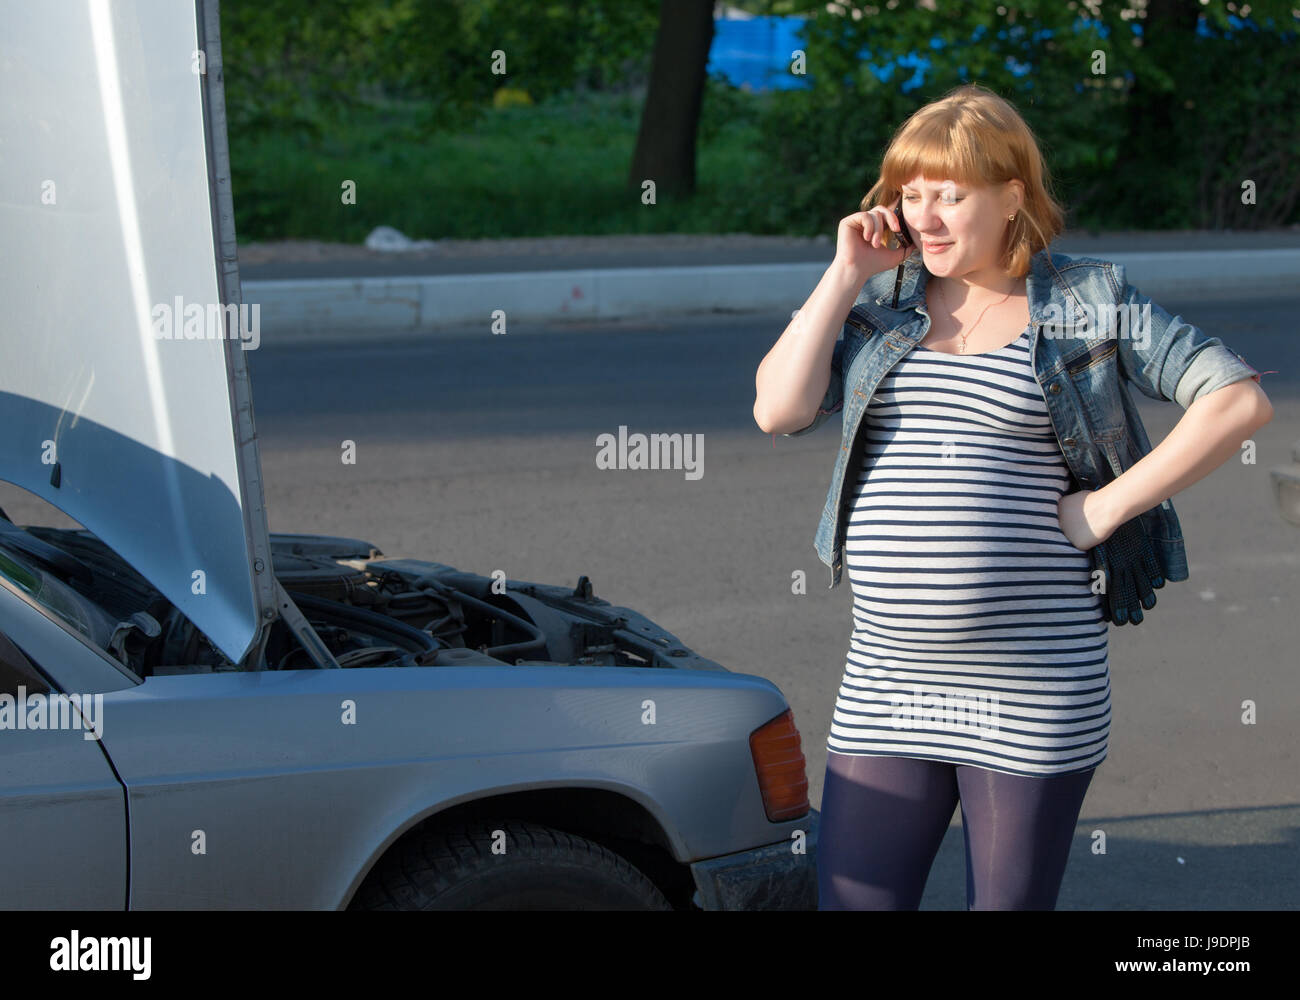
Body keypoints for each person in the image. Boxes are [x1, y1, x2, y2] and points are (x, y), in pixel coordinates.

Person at [752, 83, 1273, 910]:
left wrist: (1107, 508)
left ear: (1012, 198)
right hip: (888, 683)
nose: (924, 215)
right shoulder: (882, 308)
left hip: (1030, 685)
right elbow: (778, 410)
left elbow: (1237, 397)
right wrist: (845, 271)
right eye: (910, 194)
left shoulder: (1083, 304)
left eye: (949, 196)